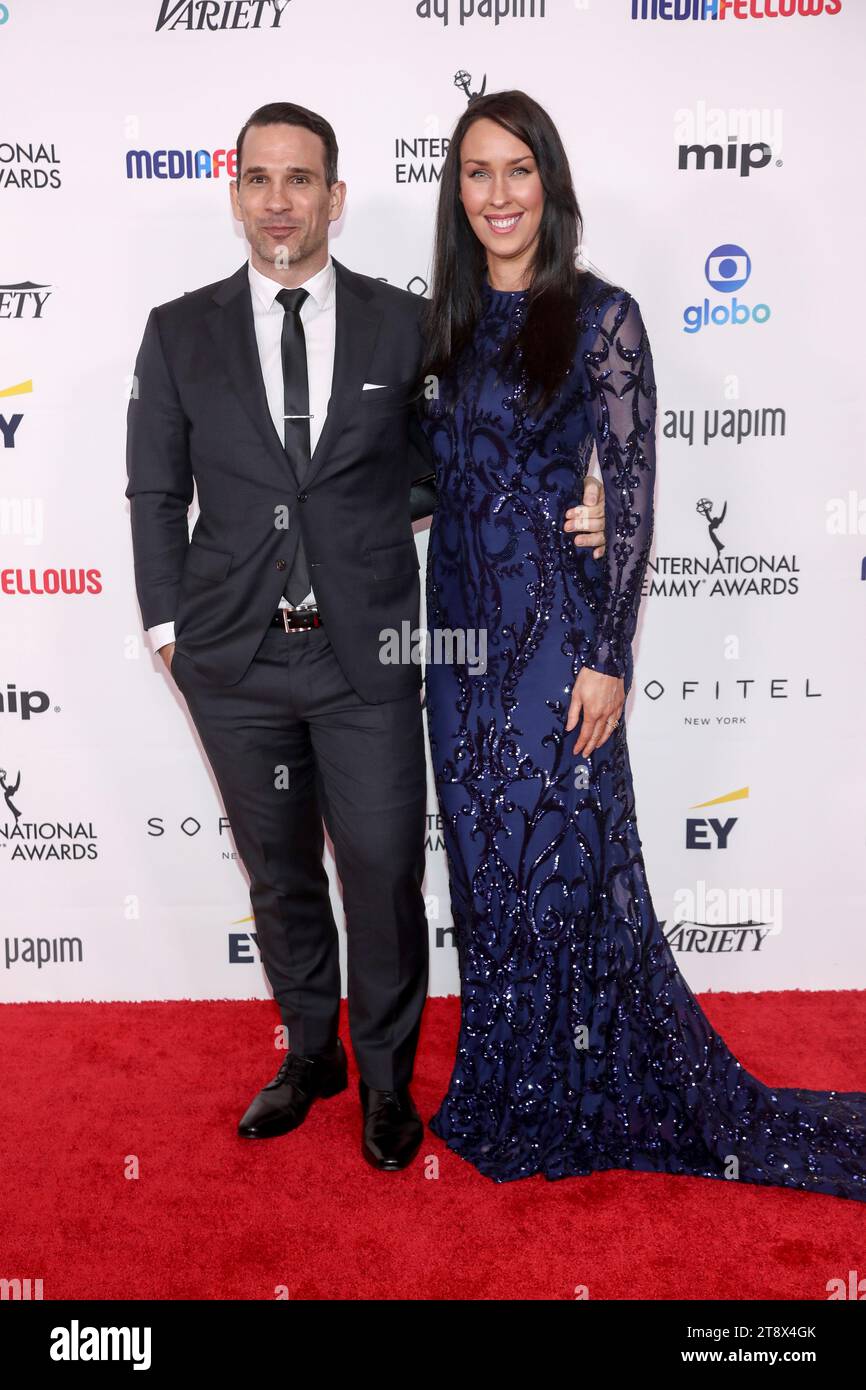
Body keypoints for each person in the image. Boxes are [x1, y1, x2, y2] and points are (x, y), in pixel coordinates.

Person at [125, 101, 609, 1172]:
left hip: (375, 656)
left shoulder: (403, 324)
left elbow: (461, 456)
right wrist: (169, 632)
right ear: (237, 193)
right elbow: (155, 491)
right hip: (235, 660)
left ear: (335, 198)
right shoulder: (179, 329)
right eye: (260, 179)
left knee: (385, 868)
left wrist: (578, 493)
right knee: (281, 873)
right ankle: (311, 1056)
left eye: (302, 180)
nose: (280, 200)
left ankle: (385, 1081)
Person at [417, 89, 866, 1201]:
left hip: (555, 641)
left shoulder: (603, 315)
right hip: (456, 648)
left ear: (549, 184)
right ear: (455, 193)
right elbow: (428, 475)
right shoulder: (448, 323)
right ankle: (508, 1079)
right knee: (485, 874)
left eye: (517, 170)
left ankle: (579, 1092)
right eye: (476, 173)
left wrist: (608, 652)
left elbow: (634, 492)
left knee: (564, 866)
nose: (498, 194)